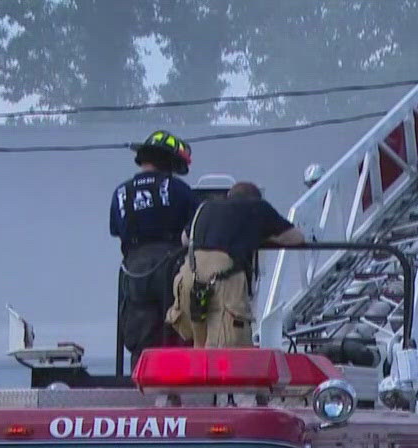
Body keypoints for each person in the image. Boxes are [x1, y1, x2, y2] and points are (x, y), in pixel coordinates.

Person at [168, 181, 307, 348]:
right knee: (227, 344)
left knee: (198, 340)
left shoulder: (206, 207)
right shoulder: (258, 207)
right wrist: (264, 236)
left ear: (229, 196)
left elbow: (184, 239)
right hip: (224, 279)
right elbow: (296, 237)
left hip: (190, 275)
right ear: (255, 197)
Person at [110, 130, 202, 361]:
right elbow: (195, 229)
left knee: (141, 334)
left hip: (134, 269)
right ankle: (174, 389)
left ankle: (142, 385)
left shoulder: (121, 193)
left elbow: (116, 230)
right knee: (176, 328)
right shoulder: (180, 190)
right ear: (170, 161)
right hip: (171, 264)